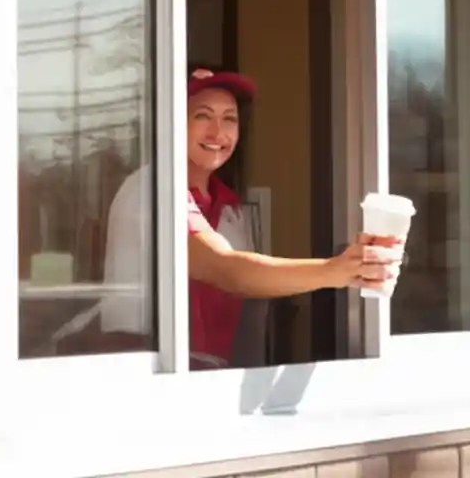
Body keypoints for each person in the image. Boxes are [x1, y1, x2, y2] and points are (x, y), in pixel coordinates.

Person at [102, 67, 401, 370]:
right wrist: (334, 271)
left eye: (229, 118)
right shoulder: (154, 186)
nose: (218, 133)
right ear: (172, 124)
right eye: (202, 116)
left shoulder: (231, 207)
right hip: (147, 377)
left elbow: (247, 297)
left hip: (210, 375)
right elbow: (225, 269)